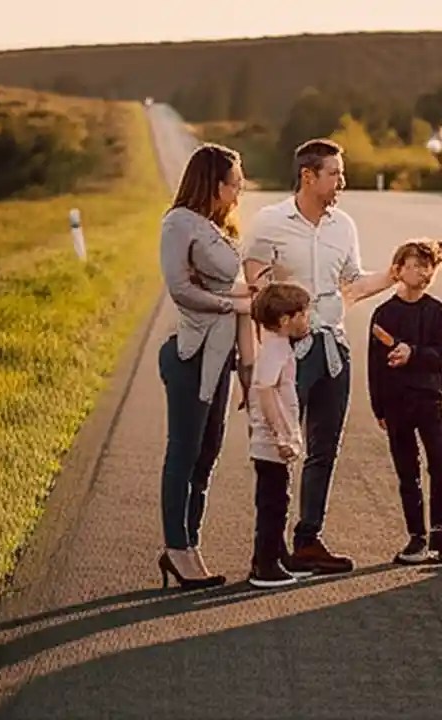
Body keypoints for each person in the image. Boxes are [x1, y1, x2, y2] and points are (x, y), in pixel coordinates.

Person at [240, 138, 397, 575]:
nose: (341, 181)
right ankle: (269, 551)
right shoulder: (269, 222)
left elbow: (353, 283)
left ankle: (308, 539)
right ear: (308, 176)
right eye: (334, 173)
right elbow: (256, 288)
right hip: (289, 352)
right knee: (279, 444)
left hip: (333, 348)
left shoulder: (343, 226)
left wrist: (393, 273)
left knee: (324, 448)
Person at [156, 142, 250, 589]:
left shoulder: (219, 228)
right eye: (235, 181)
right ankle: (175, 547)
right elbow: (179, 288)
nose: (241, 188)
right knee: (184, 451)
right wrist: (232, 304)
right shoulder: (178, 223)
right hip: (190, 355)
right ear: (214, 184)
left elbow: (236, 291)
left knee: (208, 454)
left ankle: (191, 543)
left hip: (222, 358)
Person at [367, 239, 442, 565]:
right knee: (408, 472)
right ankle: (416, 536)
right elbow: (375, 365)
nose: (418, 271)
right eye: (411, 264)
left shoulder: (439, 313)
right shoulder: (384, 313)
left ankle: (439, 533)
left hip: (430, 400)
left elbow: (441, 356)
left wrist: (412, 353)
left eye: (425, 265)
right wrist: (378, 407)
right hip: (396, 402)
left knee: (439, 467)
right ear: (398, 270)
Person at [245, 280, 315, 588]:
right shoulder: (275, 349)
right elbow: (264, 388)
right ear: (285, 321)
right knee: (273, 504)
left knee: (278, 500)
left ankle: (277, 555)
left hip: (274, 441)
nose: (307, 320)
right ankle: (265, 565)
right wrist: (283, 436)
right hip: (272, 442)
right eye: (303, 314)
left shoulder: (277, 344)